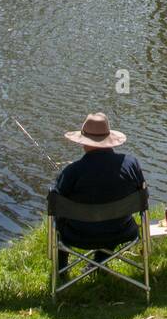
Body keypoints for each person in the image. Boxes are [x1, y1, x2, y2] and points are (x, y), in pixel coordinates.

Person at [52, 112, 146, 268]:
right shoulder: (131, 164)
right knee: (110, 212)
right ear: (109, 140)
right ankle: (100, 262)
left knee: (60, 217)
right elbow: (144, 195)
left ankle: (61, 271)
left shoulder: (72, 171)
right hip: (121, 231)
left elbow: (56, 202)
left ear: (84, 142)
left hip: (77, 235)